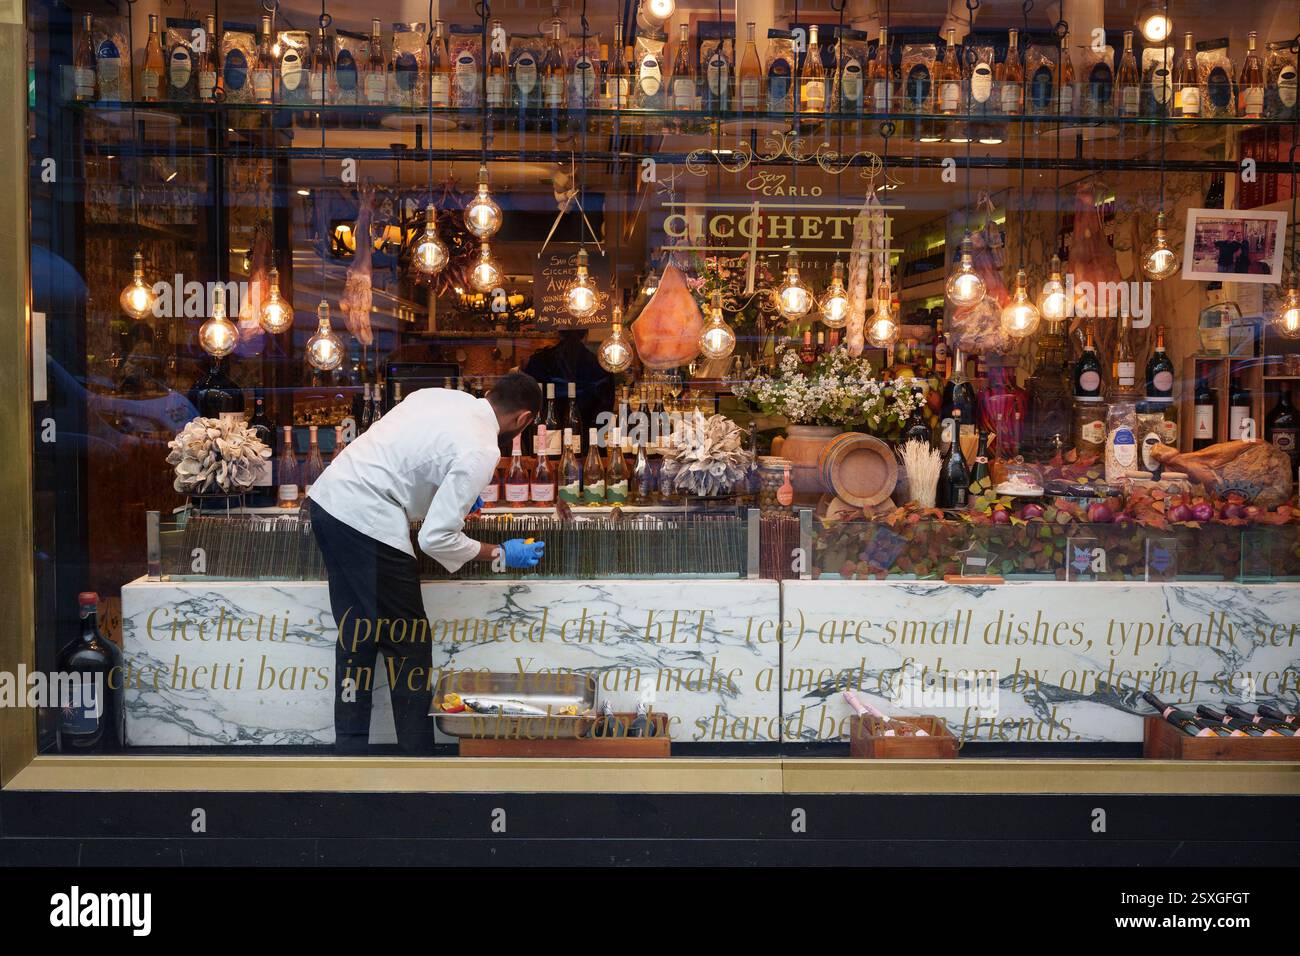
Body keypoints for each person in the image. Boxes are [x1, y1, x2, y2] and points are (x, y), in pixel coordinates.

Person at [306, 372, 546, 755]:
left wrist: (452, 496)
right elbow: (435, 538)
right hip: (368, 519)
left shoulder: (439, 396)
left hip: (328, 502)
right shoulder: (482, 449)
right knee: (409, 646)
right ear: (523, 420)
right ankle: (418, 761)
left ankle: (348, 755)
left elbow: (406, 457)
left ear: (488, 394)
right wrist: (500, 552)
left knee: (358, 638)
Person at [523, 328, 616, 453]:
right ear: (586, 335)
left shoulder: (539, 362)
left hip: (545, 446)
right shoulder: (601, 366)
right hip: (587, 448)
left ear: (557, 333)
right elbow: (605, 414)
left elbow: (526, 408)